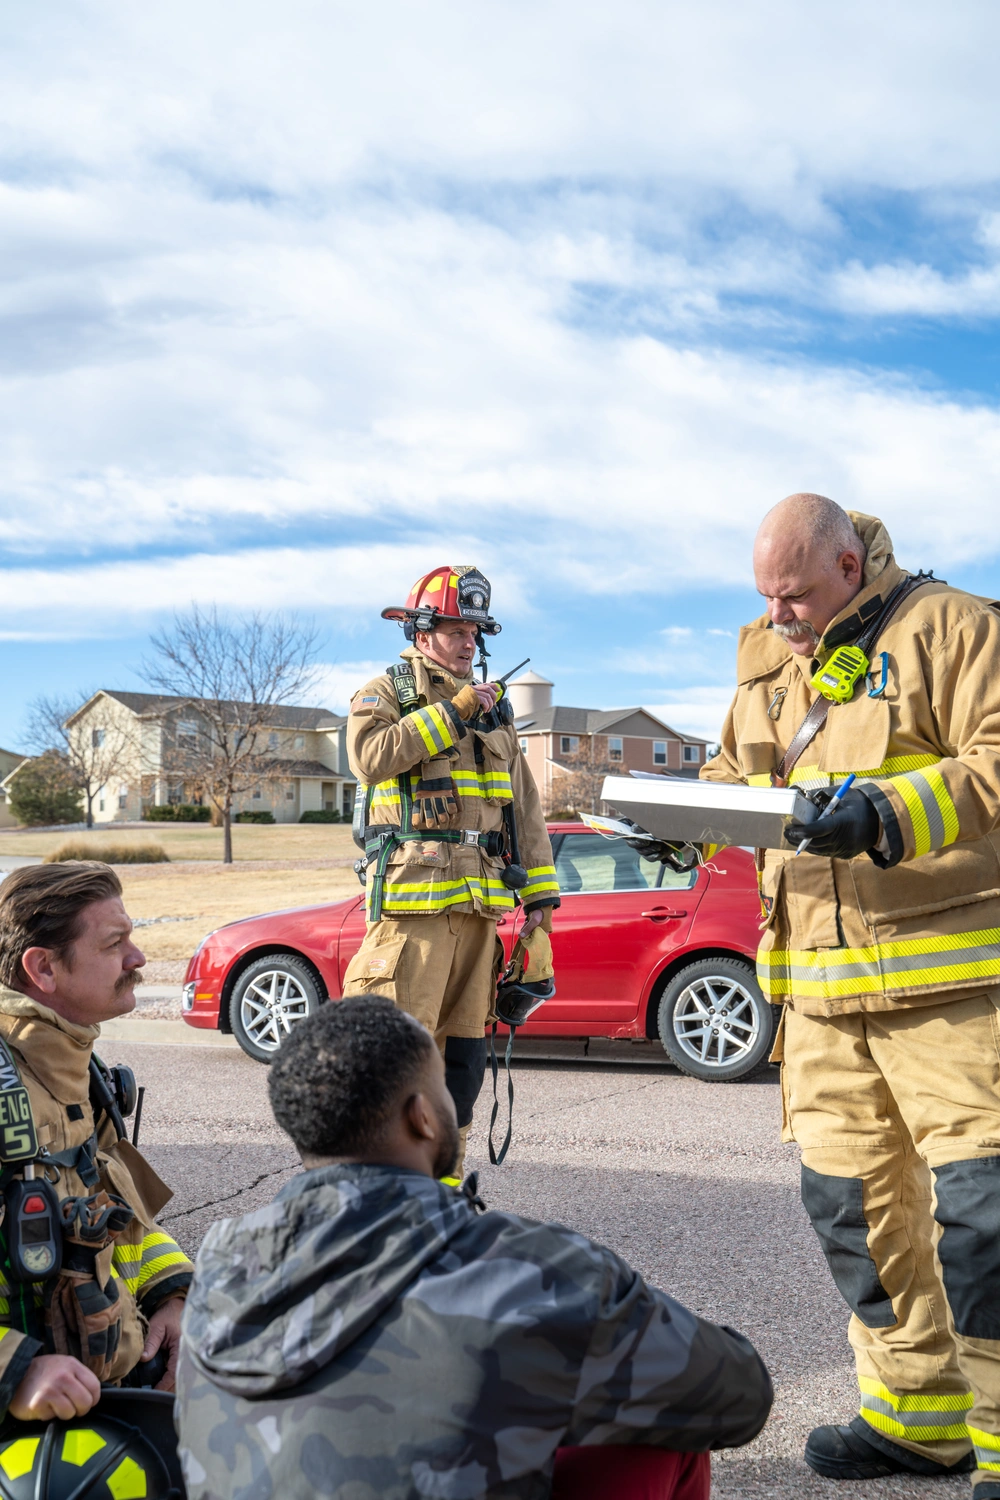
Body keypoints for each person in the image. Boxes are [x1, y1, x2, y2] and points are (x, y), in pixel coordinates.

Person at [176, 995, 772, 1499]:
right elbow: (740, 1395)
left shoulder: (220, 1264)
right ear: (421, 1117)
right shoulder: (526, 1268)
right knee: (659, 1426)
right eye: (442, 1085)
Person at [704, 492, 1000, 1490]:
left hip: (955, 990)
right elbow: (731, 775)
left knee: (988, 1224)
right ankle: (917, 1419)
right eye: (765, 596)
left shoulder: (953, 629)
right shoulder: (764, 659)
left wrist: (883, 810)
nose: (777, 615)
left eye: (791, 595)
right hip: (821, 998)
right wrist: (682, 820)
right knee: (854, 1218)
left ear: (845, 564)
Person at [345, 565, 559, 1178]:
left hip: (480, 912)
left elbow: (525, 810)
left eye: (474, 632)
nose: (469, 642)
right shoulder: (387, 692)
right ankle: (382, 1197)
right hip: (414, 909)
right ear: (420, 632)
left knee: (462, 1069)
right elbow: (369, 757)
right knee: (396, 1064)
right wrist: (455, 712)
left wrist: (540, 906)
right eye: (455, 630)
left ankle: (442, 1190)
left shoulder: (496, 713)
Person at [0, 862, 192, 1425]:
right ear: (43, 968)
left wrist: (173, 1295)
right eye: (114, 944)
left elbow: (126, 1221)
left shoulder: (82, 1075)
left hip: (109, 1399)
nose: (138, 958)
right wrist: (15, 1371)